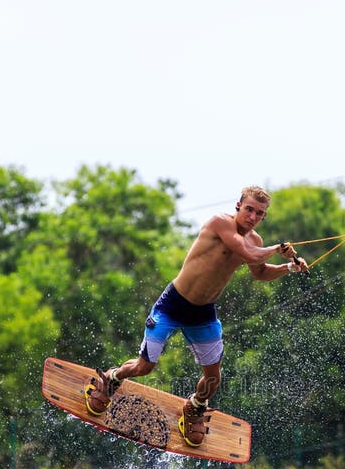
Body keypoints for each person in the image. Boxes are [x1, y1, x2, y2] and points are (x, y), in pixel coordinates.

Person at [85, 185, 309, 446]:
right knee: (144, 367)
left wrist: (288, 268)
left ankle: (193, 408)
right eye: (249, 209)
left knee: (213, 378)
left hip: (203, 313)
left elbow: (259, 272)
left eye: (259, 213)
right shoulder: (220, 223)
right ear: (238, 206)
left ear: (263, 217)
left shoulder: (257, 242)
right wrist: (276, 248)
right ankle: (112, 378)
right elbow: (245, 252)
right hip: (173, 305)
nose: (252, 216)